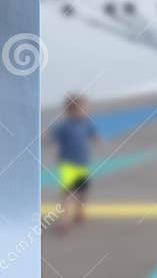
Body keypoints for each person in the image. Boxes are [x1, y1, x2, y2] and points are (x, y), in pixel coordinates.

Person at [49, 94, 99, 233]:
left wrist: (97, 140)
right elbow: (51, 137)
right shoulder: (64, 126)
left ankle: (80, 212)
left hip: (83, 164)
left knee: (83, 191)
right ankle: (64, 220)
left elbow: (92, 134)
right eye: (83, 109)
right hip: (68, 165)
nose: (85, 111)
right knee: (68, 193)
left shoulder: (86, 123)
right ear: (72, 110)